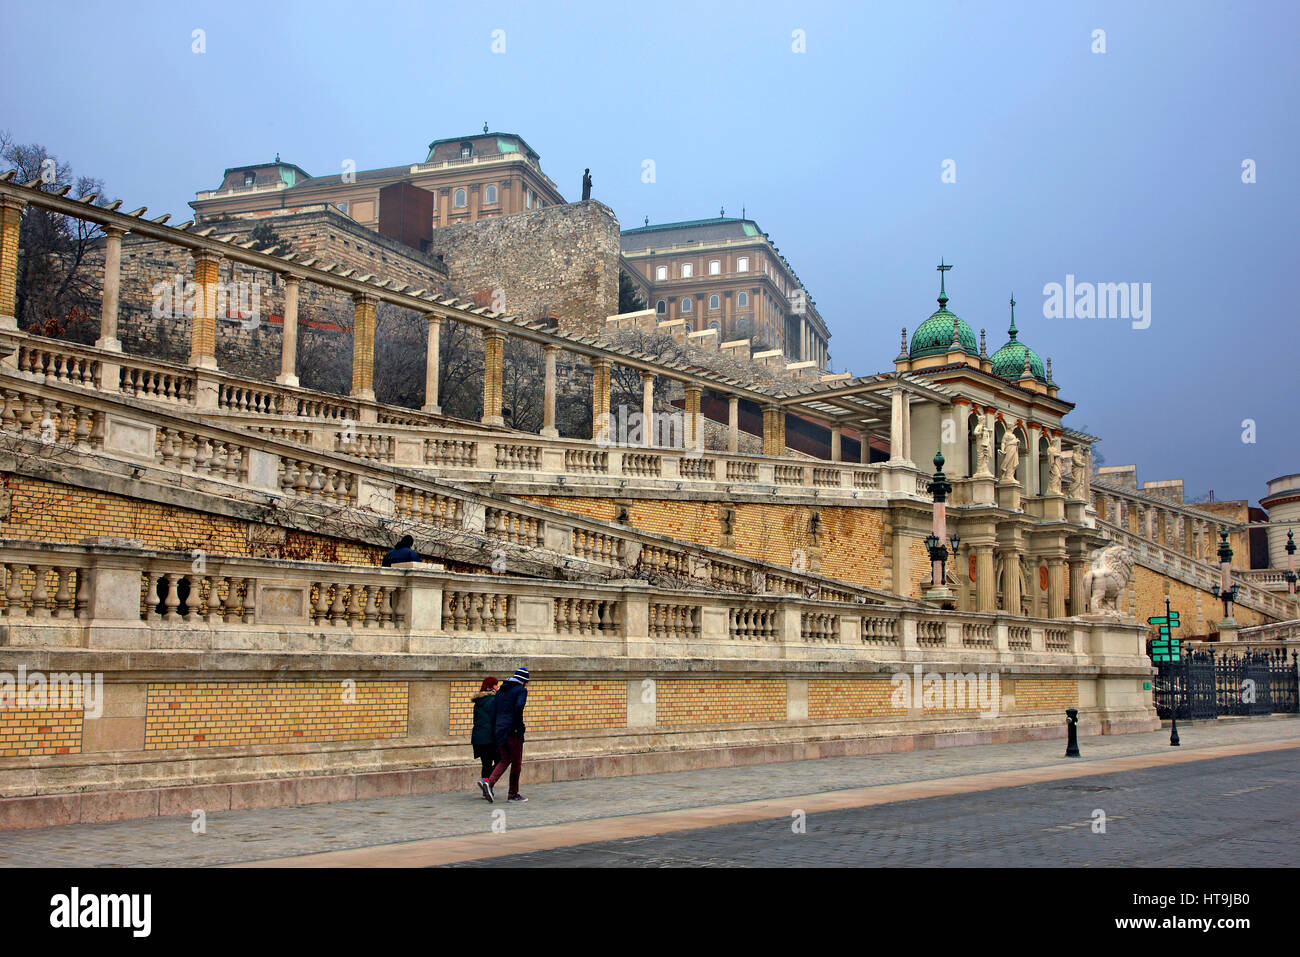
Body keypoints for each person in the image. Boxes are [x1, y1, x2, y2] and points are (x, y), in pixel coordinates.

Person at [478, 666, 529, 803]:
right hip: (513, 731)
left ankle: (489, 783)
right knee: (516, 763)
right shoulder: (521, 691)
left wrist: (496, 729)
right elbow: (519, 707)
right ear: (524, 681)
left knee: (505, 759)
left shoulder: (501, 691)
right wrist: (518, 727)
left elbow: (494, 711)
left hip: (499, 730)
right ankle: (513, 794)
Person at [470, 677, 499, 779]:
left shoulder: (478, 701)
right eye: (496, 684)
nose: (498, 687)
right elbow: (495, 719)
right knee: (501, 761)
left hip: (478, 738)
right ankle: (486, 783)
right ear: (492, 686)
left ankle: (486, 787)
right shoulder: (494, 700)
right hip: (489, 737)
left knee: (486, 765)